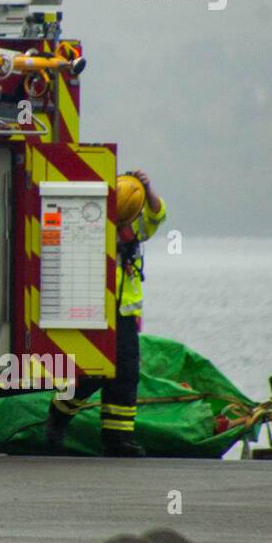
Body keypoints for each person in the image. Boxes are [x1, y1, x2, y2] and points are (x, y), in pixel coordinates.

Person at [45, 169, 166, 457]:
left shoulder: (135, 225)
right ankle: (57, 417)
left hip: (122, 313)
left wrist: (147, 190)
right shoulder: (91, 222)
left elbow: (157, 216)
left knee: (125, 374)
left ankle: (118, 440)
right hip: (91, 309)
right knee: (91, 374)